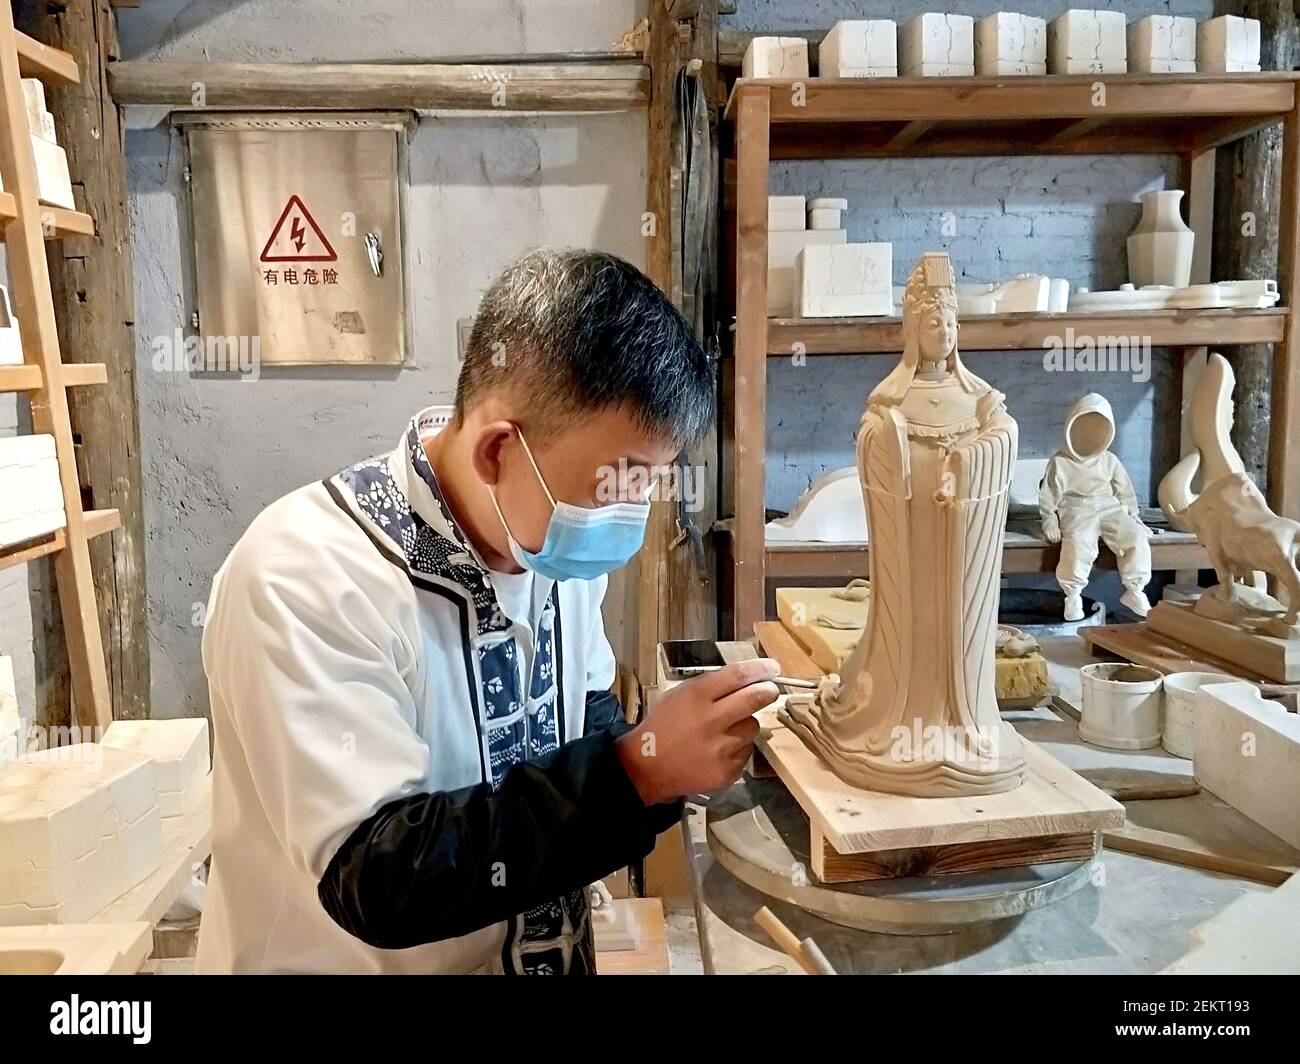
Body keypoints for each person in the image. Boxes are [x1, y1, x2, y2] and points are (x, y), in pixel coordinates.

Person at [194, 248, 780, 974]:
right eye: (618, 482)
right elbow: (380, 879)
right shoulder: (305, 577)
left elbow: (584, 707)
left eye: (651, 482)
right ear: (500, 449)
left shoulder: (547, 549)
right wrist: (636, 775)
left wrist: (667, 750)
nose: (632, 515)